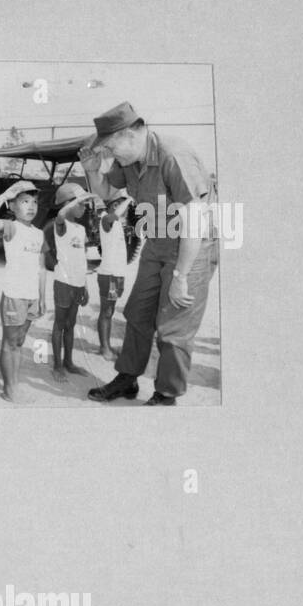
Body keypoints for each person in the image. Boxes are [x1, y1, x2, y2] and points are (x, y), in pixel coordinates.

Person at [84, 102, 219, 406]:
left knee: (174, 327)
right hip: (158, 242)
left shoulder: (174, 155)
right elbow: (105, 192)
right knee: (137, 314)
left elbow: (194, 221)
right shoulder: (130, 159)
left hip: (191, 246)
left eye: (110, 146)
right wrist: (93, 170)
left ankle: (166, 394)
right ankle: (128, 379)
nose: (109, 153)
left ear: (133, 132)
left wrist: (181, 276)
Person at [0, 180, 47, 402]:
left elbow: (40, 268)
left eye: (35, 202)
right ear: (12, 206)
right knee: (10, 343)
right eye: (25, 201)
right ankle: (9, 389)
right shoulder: (11, 227)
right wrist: (2, 197)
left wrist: (41, 298)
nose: (31, 206)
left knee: (19, 341)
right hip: (14, 296)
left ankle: (13, 382)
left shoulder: (39, 233)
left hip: (32, 297)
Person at [43, 183, 98, 381]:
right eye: (81, 204)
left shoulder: (81, 229)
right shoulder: (61, 226)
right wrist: (73, 200)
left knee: (71, 324)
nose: (85, 208)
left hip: (77, 283)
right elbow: (60, 215)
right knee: (59, 324)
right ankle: (57, 365)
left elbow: (82, 259)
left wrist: (85, 286)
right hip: (63, 283)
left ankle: (69, 362)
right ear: (69, 204)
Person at [94, 191, 133, 361]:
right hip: (110, 275)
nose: (127, 210)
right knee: (107, 312)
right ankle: (104, 348)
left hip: (115, 274)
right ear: (116, 205)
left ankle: (106, 346)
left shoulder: (115, 223)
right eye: (126, 206)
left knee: (108, 312)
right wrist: (131, 197)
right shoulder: (106, 218)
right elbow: (112, 217)